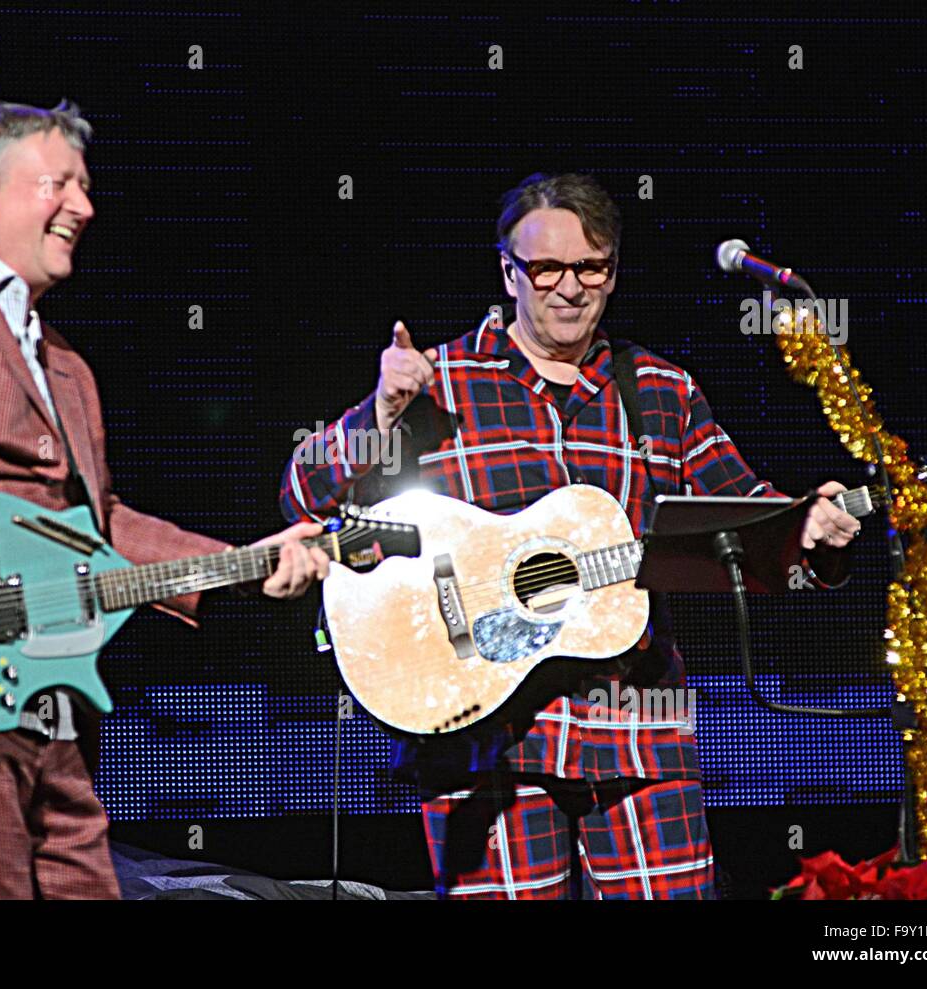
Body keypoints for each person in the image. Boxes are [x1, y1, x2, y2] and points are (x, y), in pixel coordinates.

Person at [0, 100, 329, 899]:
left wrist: (248, 564)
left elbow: (100, 527)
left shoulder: (68, 369)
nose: (84, 206)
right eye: (60, 184)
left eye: (86, 186)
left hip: (48, 674)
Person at [280, 172, 858, 899]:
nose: (569, 288)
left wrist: (813, 526)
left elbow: (746, 517)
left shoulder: (660, 389)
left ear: (612, 271)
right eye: (546, 268)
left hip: (637, 734)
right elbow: (304, 494)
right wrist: (382, 411)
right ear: (507, 271)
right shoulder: (441, 383)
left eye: (591, 268)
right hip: (482, 735)